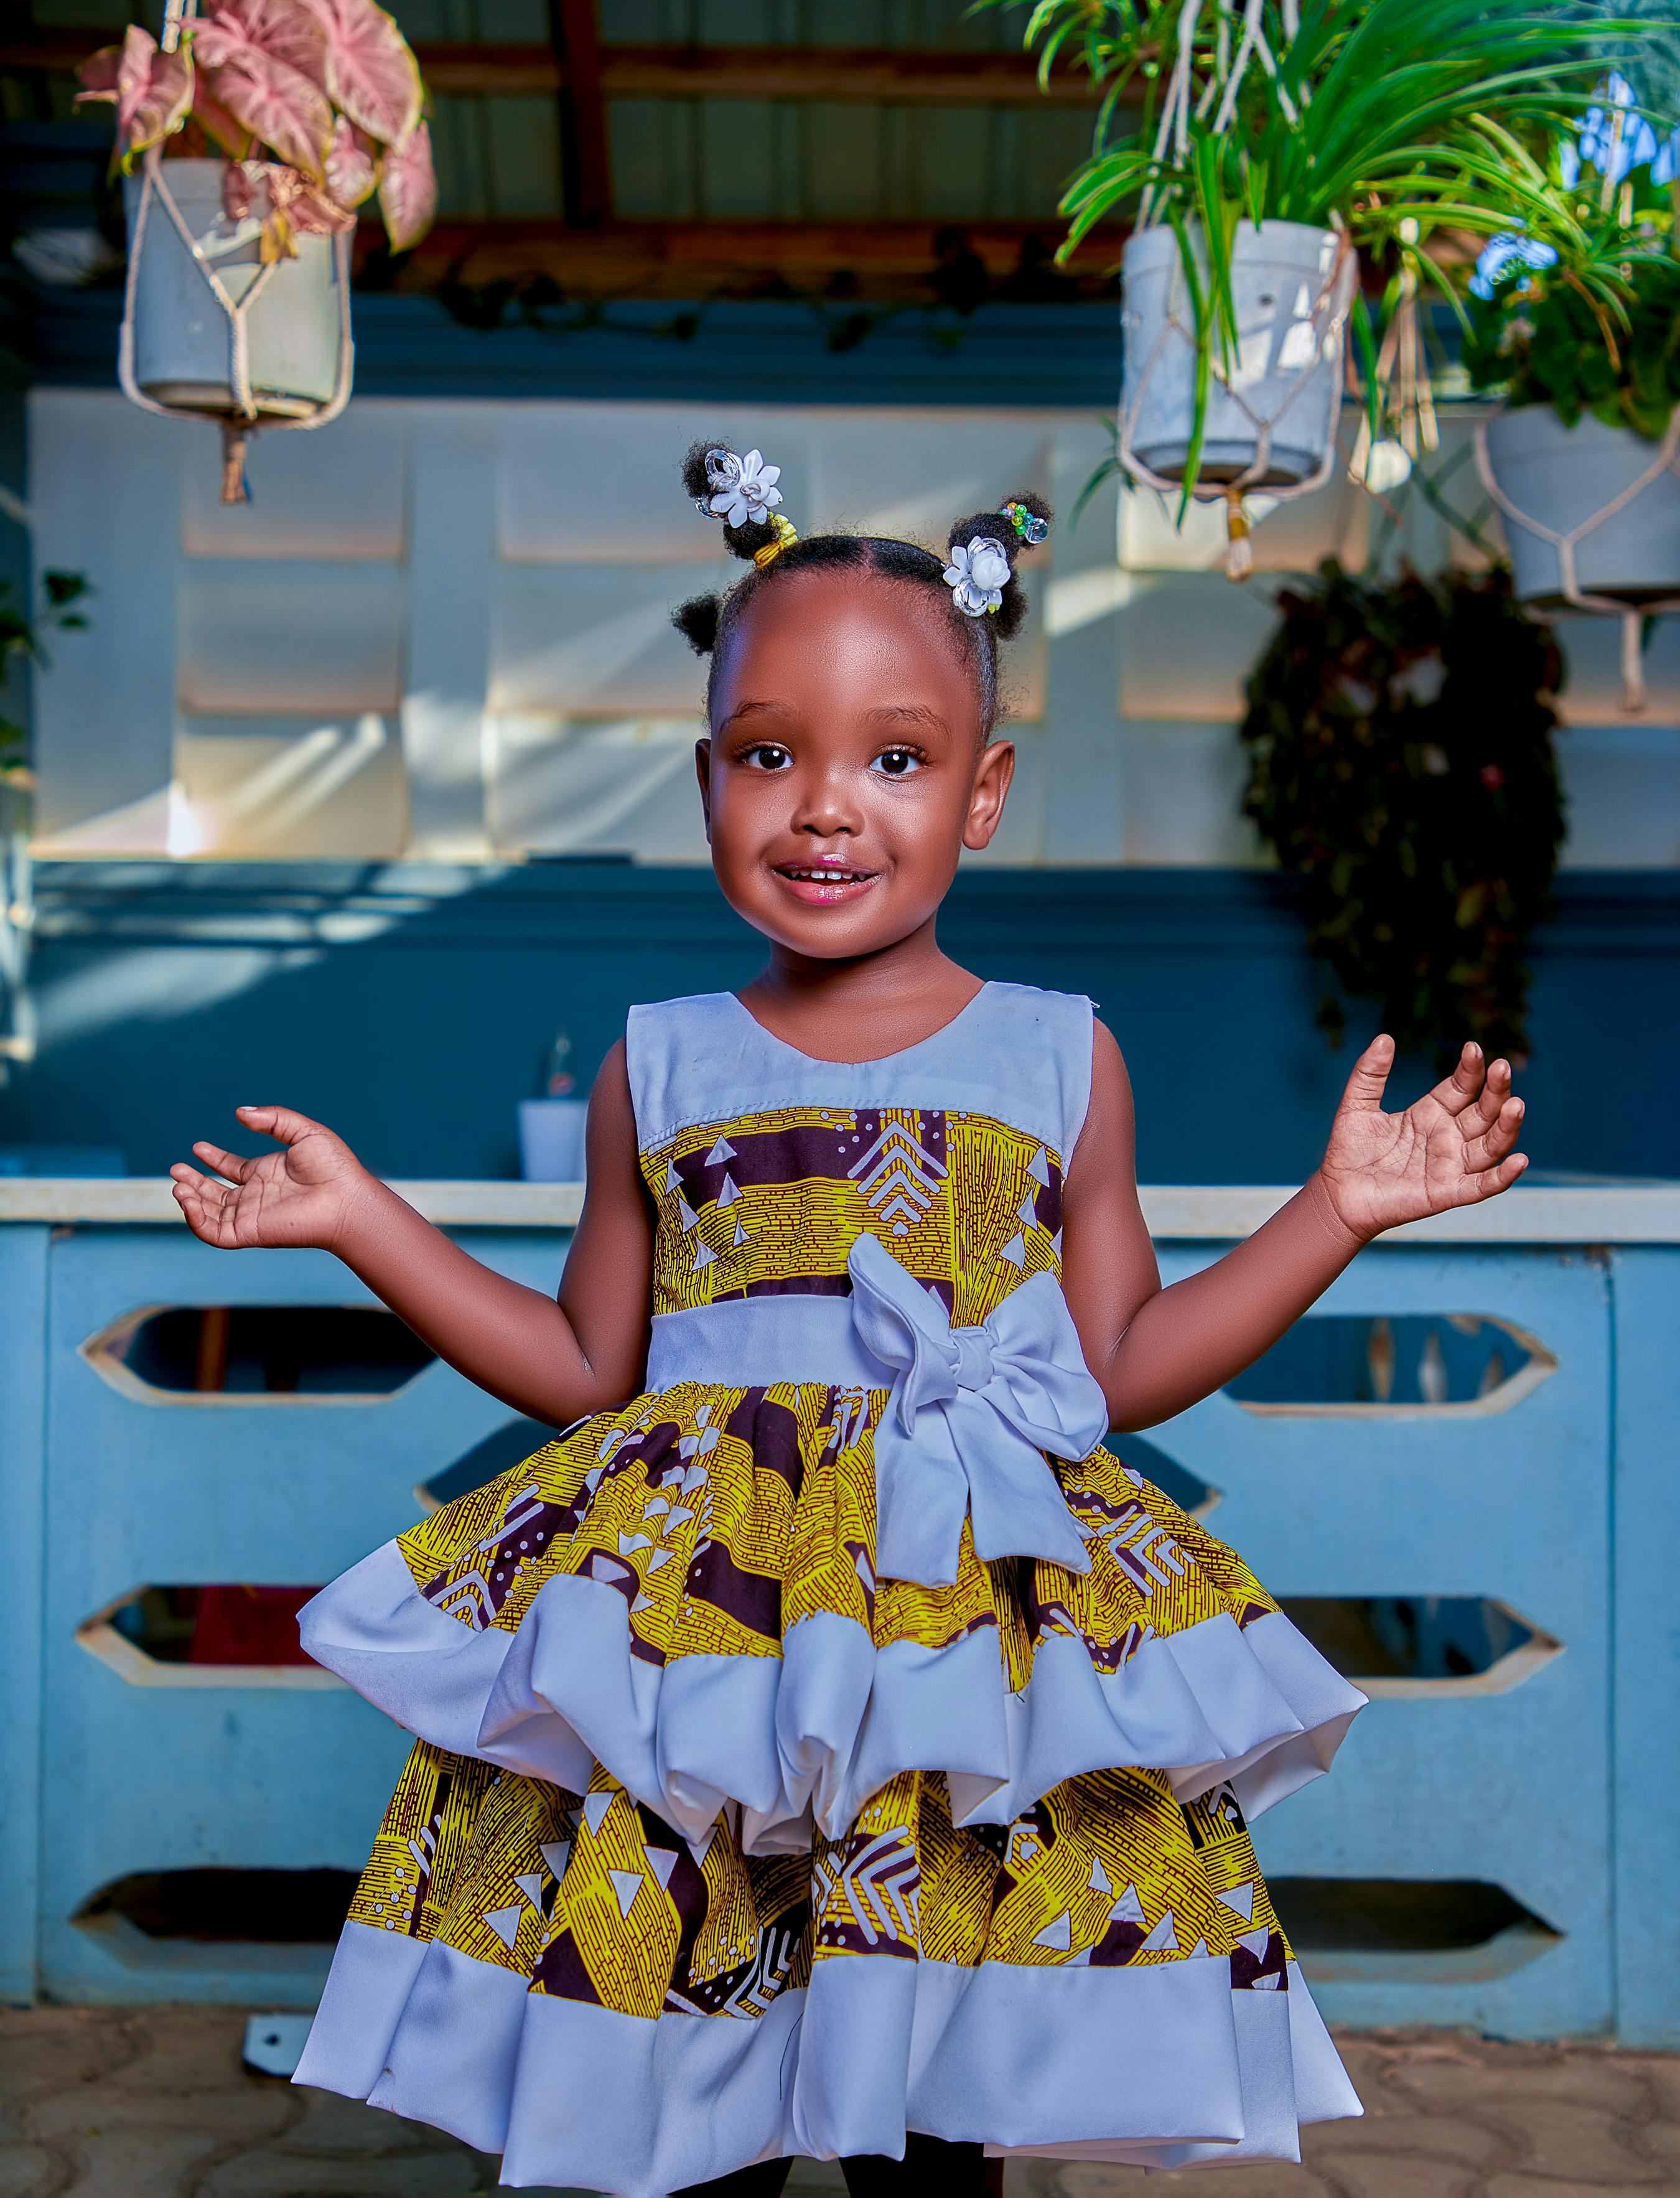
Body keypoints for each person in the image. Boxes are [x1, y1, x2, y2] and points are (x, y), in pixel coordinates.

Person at [170, 444, 1528, 2198]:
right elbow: (587, 1370)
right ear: (704, 777)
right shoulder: (652, 1061)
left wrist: (1330, 1210)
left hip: (951, 1635)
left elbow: (1112, 1376)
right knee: (694, 2072)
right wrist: (365, 1219)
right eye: (768, 753)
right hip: (710, 1646)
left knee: (928, 2110)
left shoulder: (1061, 1055)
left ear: (981, 792)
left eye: (895, 757)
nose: (826, 804)